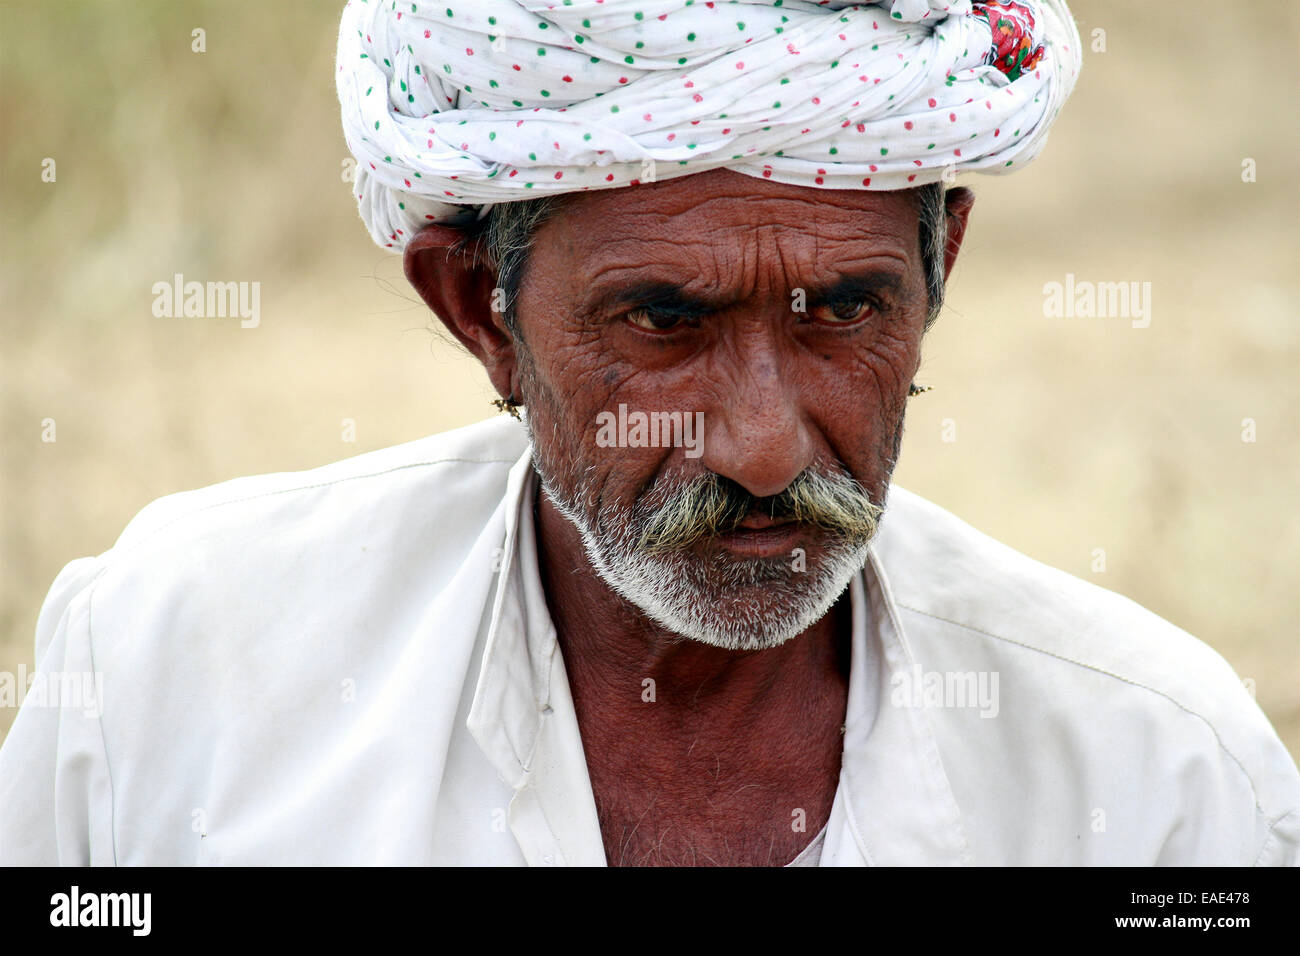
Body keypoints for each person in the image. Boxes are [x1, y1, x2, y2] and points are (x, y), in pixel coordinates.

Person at [2, 0, 1296, 866]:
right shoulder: (169, 676)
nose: (765, 448)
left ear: (941, 268)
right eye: (664, 322)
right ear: (479, 313)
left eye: (846, 312)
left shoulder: (1157, 775)